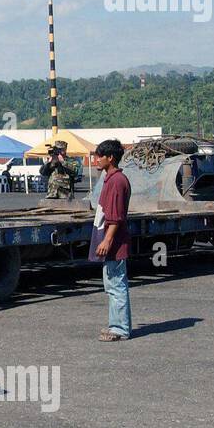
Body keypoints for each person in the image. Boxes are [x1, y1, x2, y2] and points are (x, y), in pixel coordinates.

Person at [89, 139, 132, 341]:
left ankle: (120, 328)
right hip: (112, 240)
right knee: (112, 284)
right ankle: (116, 325)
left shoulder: (116, 182)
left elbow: (115, 217)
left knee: (116, 285)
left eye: (100, 156)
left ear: (110, 158)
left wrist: (106, 241)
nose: (96, 159)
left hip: (114, 242)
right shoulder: (111, 179)